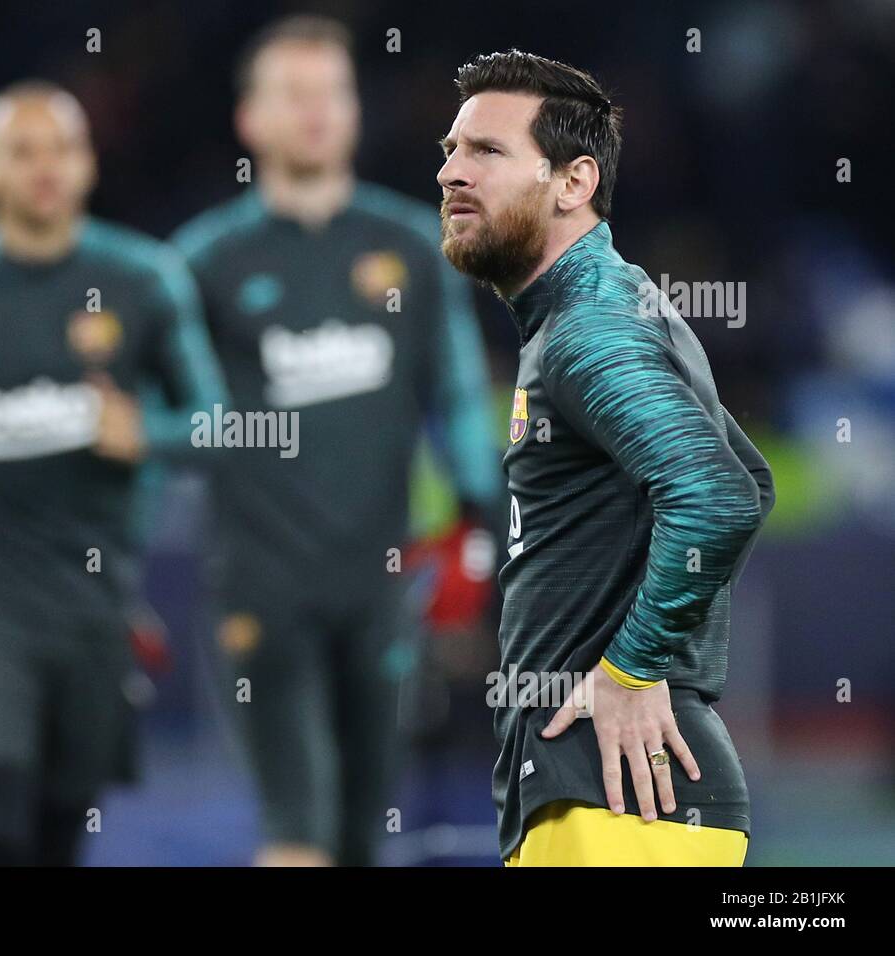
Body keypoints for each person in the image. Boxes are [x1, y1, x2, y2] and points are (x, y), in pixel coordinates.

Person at [0, 82, 227, 866]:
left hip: (95, 600)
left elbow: (218, 423)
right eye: (22, 151)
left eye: (62, 147)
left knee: (60, 833)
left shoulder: (144, 279)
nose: (44, 168)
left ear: (88, 164)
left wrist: (148, 433)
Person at [172, 16, 500, 867]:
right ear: (250, 119)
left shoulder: (413, 249)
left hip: (380, 587)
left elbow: (458, 395)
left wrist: (479, 525)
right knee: (298, 829)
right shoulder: (201, 264)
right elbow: (154, 421)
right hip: (258, 585)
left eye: (334, 92)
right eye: (294, 93)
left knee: (361, 836)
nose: (317, 111)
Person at [435, 49, 775, 865]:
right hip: (614, 793)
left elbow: (719, 496)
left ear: (573, 181)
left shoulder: (590, 328)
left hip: (620, 797)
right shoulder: (597, 311)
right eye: (449, 151)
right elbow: (750, 481)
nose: (451, 173)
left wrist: (632, 668)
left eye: (486, 151)